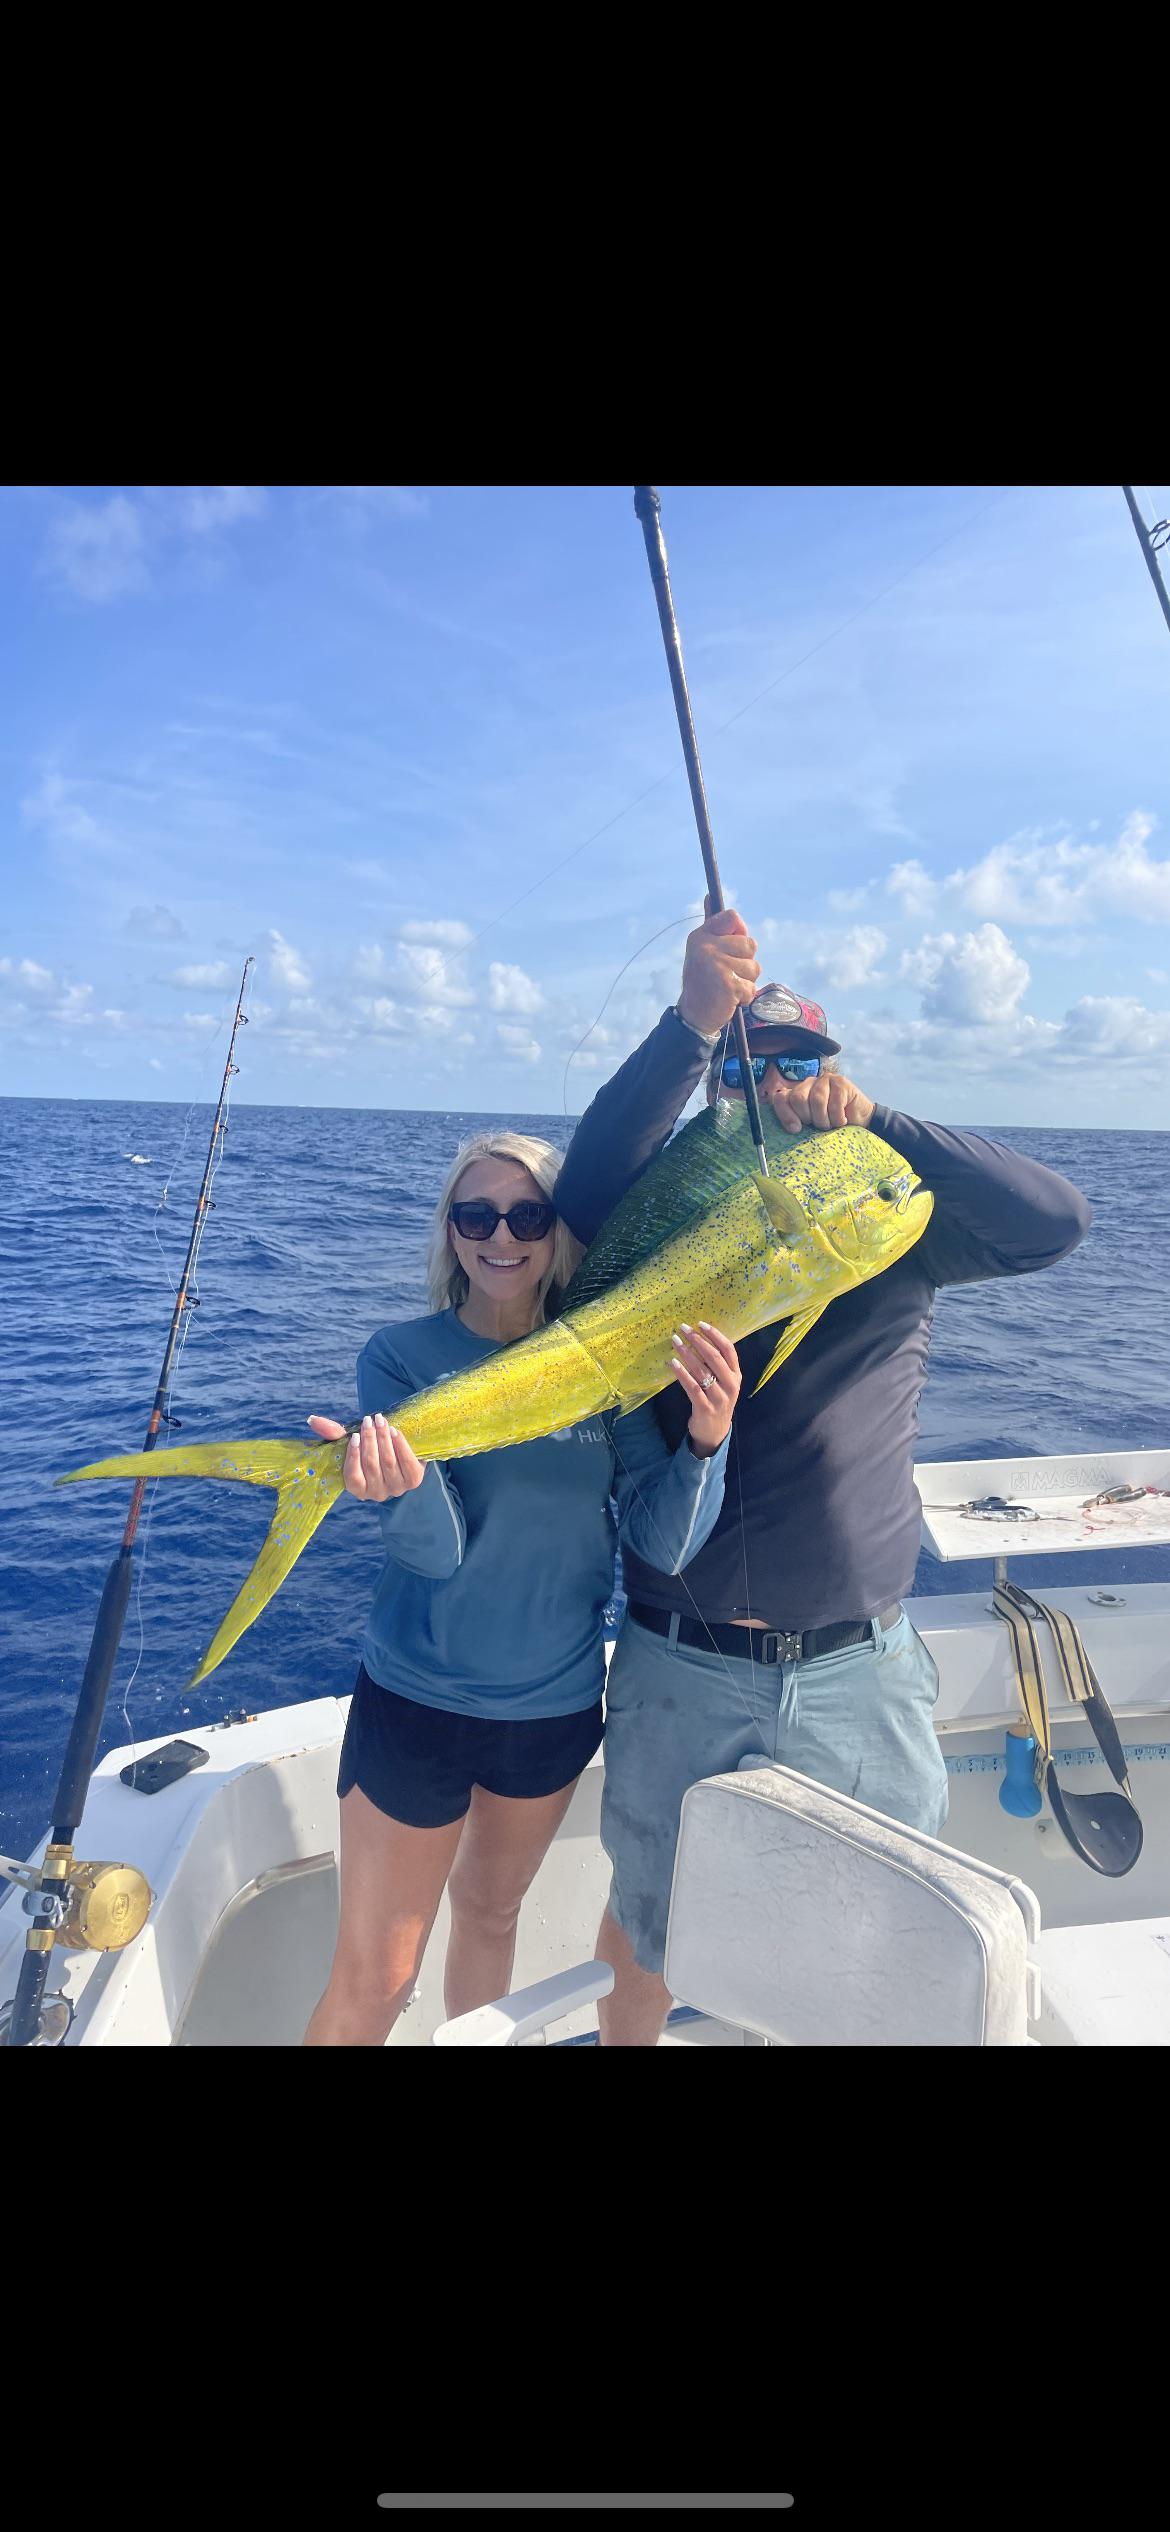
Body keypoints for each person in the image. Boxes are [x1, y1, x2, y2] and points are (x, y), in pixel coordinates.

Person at [553, 906, 1093, 2046]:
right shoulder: (671, 1217)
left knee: (880, 1947)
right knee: (650, 1926)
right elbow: (585, 1192)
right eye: (749, 1070)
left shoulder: (899, 1226)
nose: (777, 1086)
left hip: (858, 1670)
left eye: (799, 1066)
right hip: (681, 1662)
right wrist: (692, 1023)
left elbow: (1055, 1221)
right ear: (717, 1092)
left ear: (832, 1076)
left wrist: (878, 1124)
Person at [302, 1128, 741, 2045]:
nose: (501, 1236)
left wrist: (707, 1440)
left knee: (493, 1917)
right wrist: (404, 1486)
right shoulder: (400, 1356)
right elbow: (432, 1556)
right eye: (476, 1216)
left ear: (556, 1233)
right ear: (451, 1232)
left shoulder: (606, 1366)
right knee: (377, 1981)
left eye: (527, 1216)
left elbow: (661, 1543)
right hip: (417, 1703)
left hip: (550, 1713)